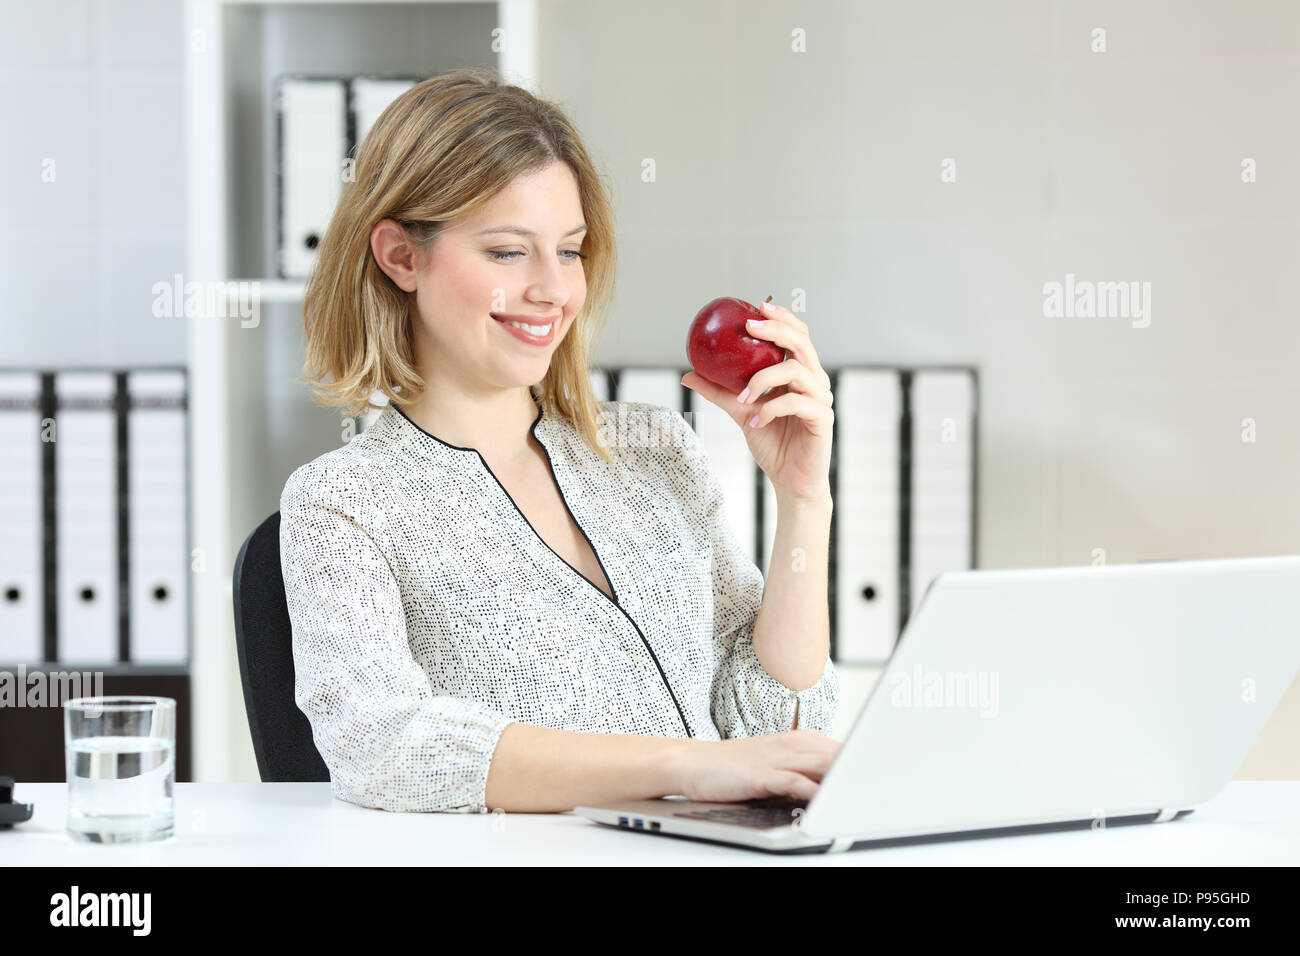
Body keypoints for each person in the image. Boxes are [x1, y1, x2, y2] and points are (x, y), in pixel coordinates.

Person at [281, 67, 841, 814]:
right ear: (401, 257)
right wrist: (688, 764)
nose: (554, 289)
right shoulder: (343, 503)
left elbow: (774, 727)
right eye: (509, 252)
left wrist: (805, 499)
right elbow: (383, 747)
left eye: (570, 250)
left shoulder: (653, 449)